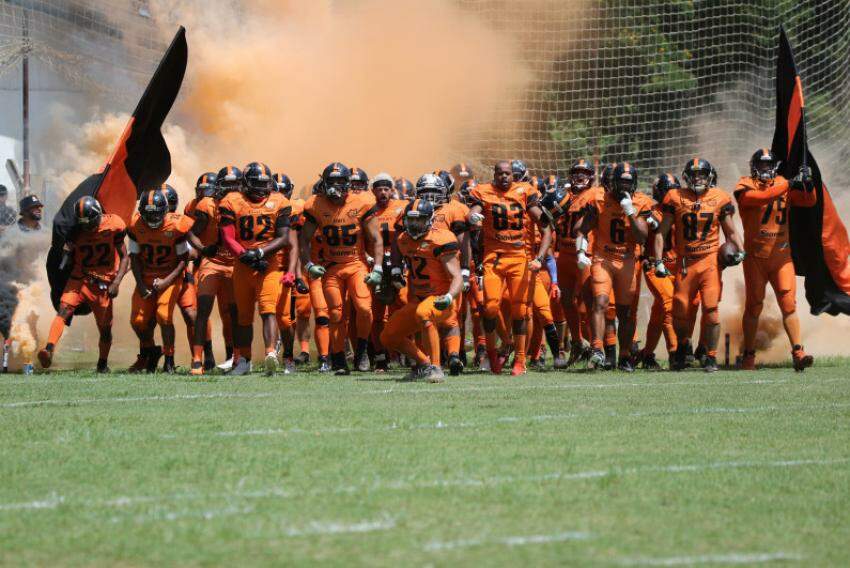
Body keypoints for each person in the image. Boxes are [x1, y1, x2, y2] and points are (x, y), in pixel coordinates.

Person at [653, 158, 745, 372]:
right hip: (685, 262)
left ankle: (710, 356)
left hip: (709, 262)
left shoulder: (720, 197)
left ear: (709, 176)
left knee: (711, 309)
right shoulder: (675, 197)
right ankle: (684, 344)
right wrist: (658, 261)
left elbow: (730, 231)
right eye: (693, 175)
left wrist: (741, 250)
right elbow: (661, 233)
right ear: (686, 177)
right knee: (680, 308)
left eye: (701, 174)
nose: (697, 178)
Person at [468, 160, 553, 375]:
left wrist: (539, 257)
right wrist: (473, 216)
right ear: (494, 174)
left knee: (520, 310)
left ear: (513, 176)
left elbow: (545, 228)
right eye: (500, 173)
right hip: (493, 257)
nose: (504, 177)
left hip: (518, 256)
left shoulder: (524, 192)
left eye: (508, 174)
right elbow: (475, 211)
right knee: (490, 307)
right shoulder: (483, 191)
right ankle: (492, 354)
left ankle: (520, 360)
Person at [735, 148, 816, 371]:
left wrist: (809, 183)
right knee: (754, 306)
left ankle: (798, 352)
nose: (765, 169)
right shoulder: (745, 185)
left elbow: (809, 201)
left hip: (781, 256)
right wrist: (790, 183)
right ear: (753, 167)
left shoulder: (781, 183)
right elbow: (759, 198)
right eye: (761, 165)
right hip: (756, 258)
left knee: (789, 304)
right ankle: (749, 356)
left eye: (768, 165)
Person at [299, 163, 384, 375]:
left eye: (340, 182)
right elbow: (303, 241)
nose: (335, 187)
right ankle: (338, 359)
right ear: (324, 183)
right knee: (335, 314)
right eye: (332, 182)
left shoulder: (363, 202)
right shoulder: (315, 204)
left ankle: (362, 351)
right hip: (331, 267)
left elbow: (376, 239)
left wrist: (379, 268)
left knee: (364, 309)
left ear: (348, 184)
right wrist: (309, 264)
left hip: (356, 264)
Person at [574, 162, 651, 371]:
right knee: (600, 301)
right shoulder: (599, 199)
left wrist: (631, 212)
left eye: (628, 182)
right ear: (613, 182)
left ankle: (625, 355)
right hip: (603, 258)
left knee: (626, 313)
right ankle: (597, 348)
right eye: (621, 182)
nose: (625, 186)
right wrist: (581, 251)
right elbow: (581, 229)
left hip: (627, 260)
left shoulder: (641, 202)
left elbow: (642, 237)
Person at [38, 196, 129, 372]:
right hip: (80, 278)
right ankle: (48, 350)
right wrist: (66, 252)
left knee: (105, 329)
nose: (87, 227)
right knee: (63, 309)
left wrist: (116, 282)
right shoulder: (75, 231)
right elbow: (65, 255)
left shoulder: (114, 224)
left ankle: (102, 364)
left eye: (90, 222)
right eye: (84, 223)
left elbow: (125, 257)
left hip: (103, 283)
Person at [219, 162, 294, 376]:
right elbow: (227, 237)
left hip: (269, 264)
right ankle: (244, 360)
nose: (261, 188)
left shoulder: (279, 202)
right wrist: (246, 256)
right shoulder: (231, 201)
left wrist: (260, 253)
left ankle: (270, 353)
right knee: (243, 316)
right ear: (245, 183)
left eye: (264, 184)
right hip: (243, 263)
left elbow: (283, 237)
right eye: (256, 183)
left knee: (268, 309)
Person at [380, 198, 463, 382]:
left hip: (440, 298)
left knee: (424, 312)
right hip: (418, 299)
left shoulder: (442, 239)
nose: (415, 225)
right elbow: (395, 248)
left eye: (420, 220)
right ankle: (424, 364)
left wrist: (449, 297)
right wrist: (394, 272)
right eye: (412, 220)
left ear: (430, 220)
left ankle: (436, 368)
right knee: (388, 336)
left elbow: (457, 277)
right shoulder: (403, 240)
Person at [127, 187, 195, 373]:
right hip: (146, 277)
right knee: (138, 322)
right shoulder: (135, 225)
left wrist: (166, 281)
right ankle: (151, 351)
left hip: (171, 276)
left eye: (156, 214)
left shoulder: (175, 226)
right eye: (149, 215)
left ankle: (170, 359)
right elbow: (134, 257)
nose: (152, 219)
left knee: (164, 316)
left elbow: (183, 259)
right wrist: (140, 284)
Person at [186, 167, 240, 375]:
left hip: (234, 264)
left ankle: (235, 357)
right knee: (203, 310)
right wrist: (202, 249)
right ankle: (197, 359)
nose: (229, 190)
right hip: (212, 263)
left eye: (233, 186)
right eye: (225, 185)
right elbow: (191, 232)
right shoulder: (206, 205)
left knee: (234, 313)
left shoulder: (243, 204)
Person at [365, 172, 408, 372]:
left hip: (400, 264)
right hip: (377, 265)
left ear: (392, 190)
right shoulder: (368, 211)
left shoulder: (403, 208)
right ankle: (381, 357)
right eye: (379, 189)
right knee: (377, 314)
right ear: (373, 191)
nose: (383, 192)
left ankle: (403, 353)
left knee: (404, 309)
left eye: (386, 188)